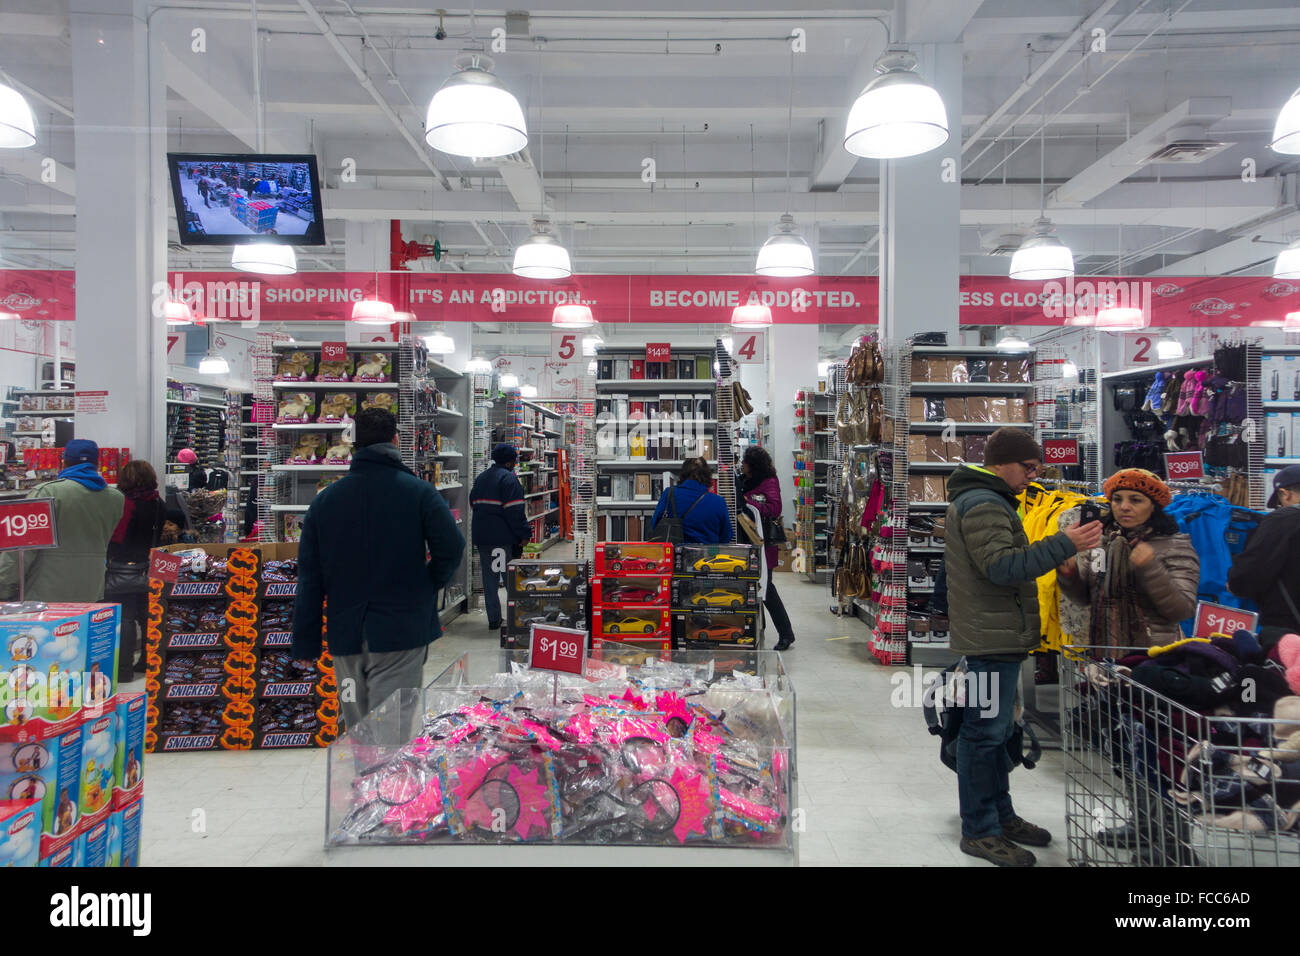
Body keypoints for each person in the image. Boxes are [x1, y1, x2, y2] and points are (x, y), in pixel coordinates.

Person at [945, 428, 1102, 866]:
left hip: (998, 635)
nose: (1033, 476)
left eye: (1038, 468)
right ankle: (980, 830)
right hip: (989, 638)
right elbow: (1001, 567)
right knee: (983, 734)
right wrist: (1063, 544)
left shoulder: (993, 501)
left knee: (998, 733)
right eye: (1028, 467)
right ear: (1001, 463)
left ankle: (1000, 816)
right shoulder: (983, 504)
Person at [292, 408, 464, 732]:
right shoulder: (418, 493)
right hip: (402, 629)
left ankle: (365, 782)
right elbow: (451, 547)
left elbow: (310, 578)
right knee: (391, 731)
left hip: (346, 635)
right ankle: (385, 784)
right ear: (396, 440)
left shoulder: (325, 502)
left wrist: (305, 641)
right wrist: (427, 587)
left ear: (352, 444)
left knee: (359, 730)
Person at [1057, 468, 1199, 648]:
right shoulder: (1103, 541)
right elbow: (1084, 599)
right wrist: (1069, 575)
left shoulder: (1175, 546)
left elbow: (1182, 610)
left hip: (1153, 656)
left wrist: (1151, 568)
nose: (1124, 506)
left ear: (1153, 505)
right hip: (1103, 653)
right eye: (1117, 499)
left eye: (1135, 500)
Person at [0, 440, 125, 603]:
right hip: (91, 587)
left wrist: (4, 585)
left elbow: (22, 549)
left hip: (46, 590)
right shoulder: (116, 498)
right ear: (98, 463)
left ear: (63, 462)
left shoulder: (47, 492)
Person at [104, 461, 167, 684]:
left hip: (122, 565)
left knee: (126, 619)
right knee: (149, 616)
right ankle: (149, 662)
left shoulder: (124, 503)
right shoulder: (158, 503)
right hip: (152, 564)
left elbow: (117, 537)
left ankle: (123, 670)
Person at [1227, 463, 1300, 631]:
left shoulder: (1283, 520)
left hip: (1288, 628)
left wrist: (1236, 582)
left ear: (1285, 494)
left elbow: (1252, 569)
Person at [740, 446, 796, 652]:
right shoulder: (746, 480)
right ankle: (759, 629)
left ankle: (786, 634)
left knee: (767, 589)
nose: (742, 465)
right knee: (758, 588)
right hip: (749, 540)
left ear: (753, 464)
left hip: (764, 543)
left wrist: (750, 501)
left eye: (745, 461)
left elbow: (775, 508)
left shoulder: (769, 482)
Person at [469, 444, 532, 630]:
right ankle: (518, 618)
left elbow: (473, 502)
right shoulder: (509, 480)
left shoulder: (481, 478)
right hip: (501, 540)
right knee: (512, 580)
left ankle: (494, 619)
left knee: (490, 580)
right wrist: (524, 534)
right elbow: (515, 512)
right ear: (510, 461)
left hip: (483, 538)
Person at [650, 457, 733, 544]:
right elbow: (726, 536)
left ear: (683, 474)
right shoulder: (718, 502)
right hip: (708, 555)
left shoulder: (669, 494)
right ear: (708, 475)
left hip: (675, 554)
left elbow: (654, 525)